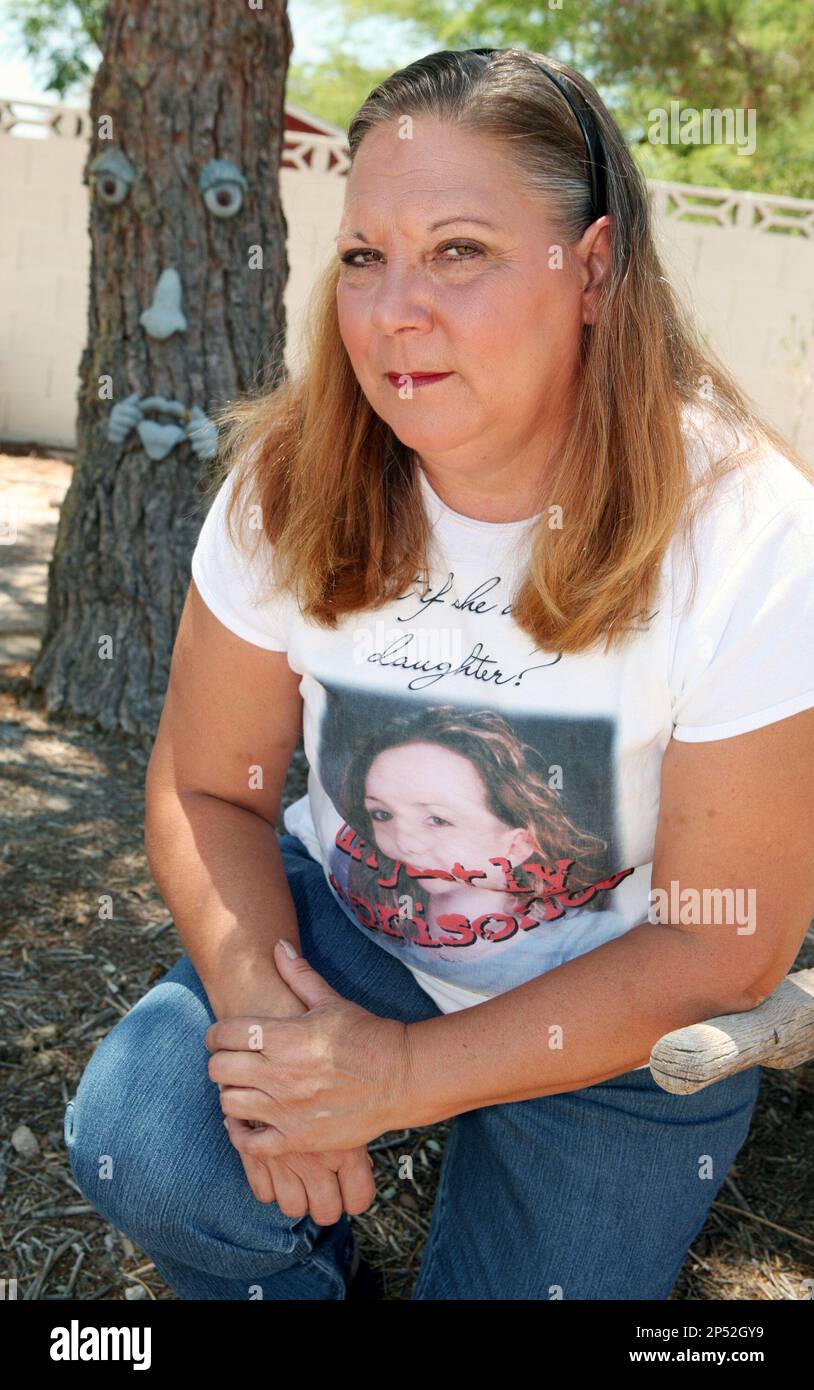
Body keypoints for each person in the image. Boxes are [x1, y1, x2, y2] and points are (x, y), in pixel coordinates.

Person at [64, 47, 814, 1301]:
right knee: (143, 1139)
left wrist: (398, 1079)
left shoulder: (746, 529)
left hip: (616, 1008)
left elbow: (720, 945)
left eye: (457, 249)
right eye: (363, 255)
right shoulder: (284, 482)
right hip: (348, 933)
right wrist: (267, 1021)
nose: (391, 308)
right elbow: (209, 788)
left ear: (592, 270)